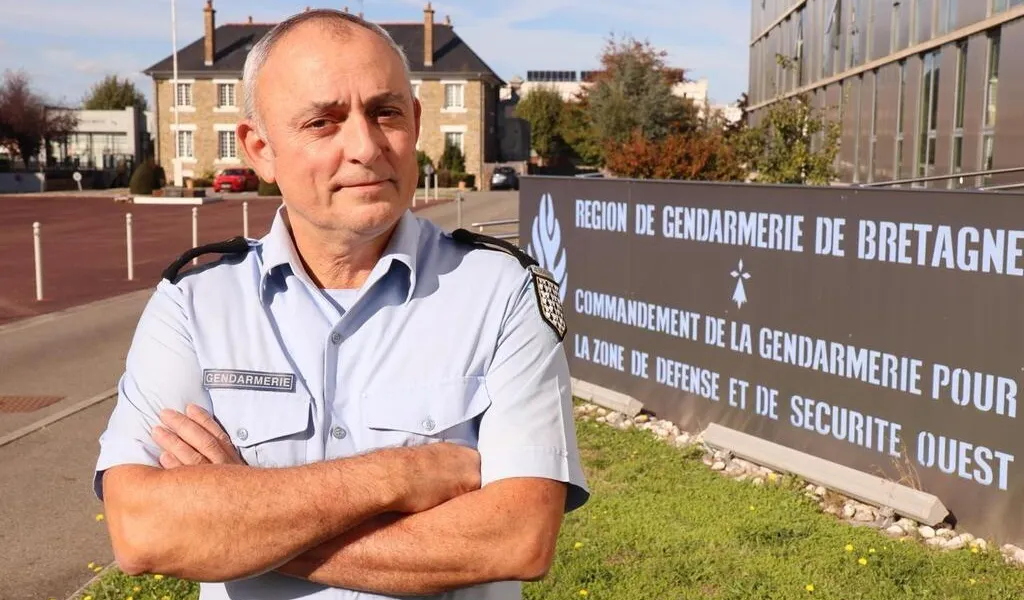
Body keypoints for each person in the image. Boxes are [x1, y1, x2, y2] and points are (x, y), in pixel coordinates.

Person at [92, 8, 588, 600]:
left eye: (385, 112)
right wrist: (399, 476)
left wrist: (240, 515)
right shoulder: (196, 304)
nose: (365, 146)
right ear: (260, 148)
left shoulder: (501, 294)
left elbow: (518, 538)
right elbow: (142, 530)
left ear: (417, 122)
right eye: (322, 123)